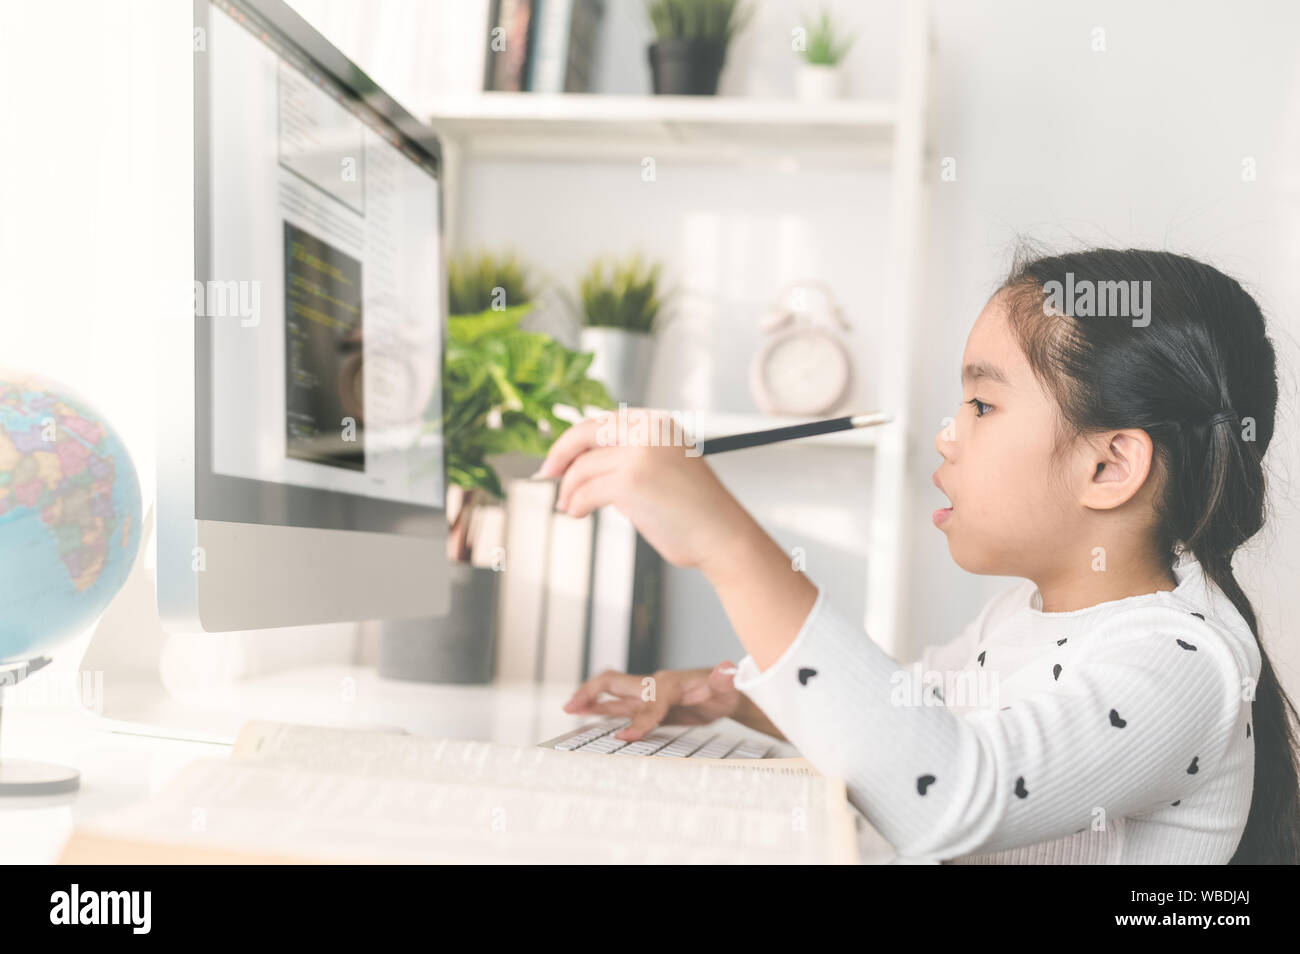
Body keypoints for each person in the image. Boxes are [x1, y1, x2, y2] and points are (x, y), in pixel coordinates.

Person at [536, 247, 1300, 864]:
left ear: (1109, 466)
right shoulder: (1023, 617)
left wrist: (727, 543)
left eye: (982, 405)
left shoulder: (1183, 664)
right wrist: (734, 698)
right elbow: (903, 713)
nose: (948, 434)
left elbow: (946, 793)